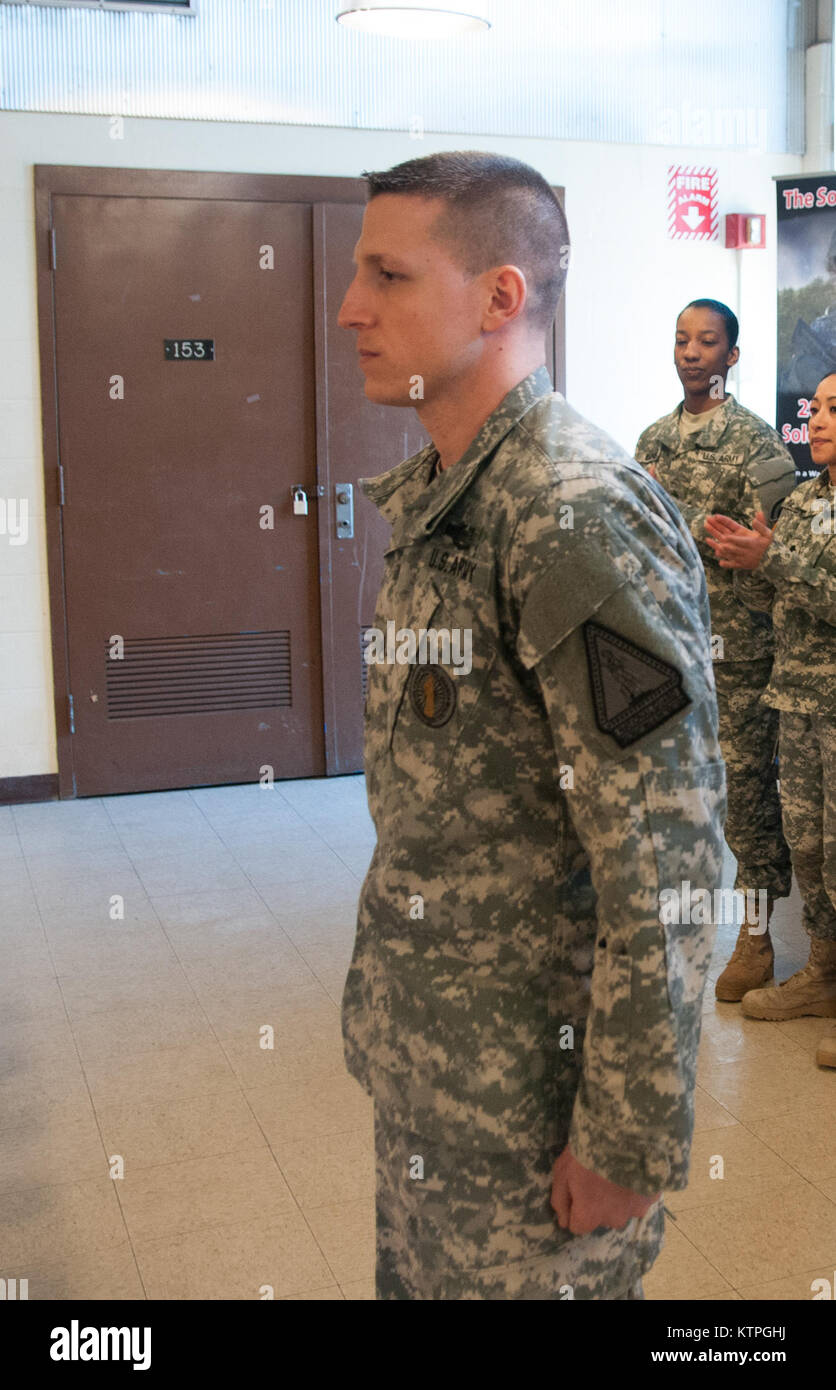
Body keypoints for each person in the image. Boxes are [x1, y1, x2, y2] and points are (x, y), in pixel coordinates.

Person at [337, 149, 726, 1300]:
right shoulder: (453, 495)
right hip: (444, 1084)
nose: (349, 308)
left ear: (498, 297)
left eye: (387, 277)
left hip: (533, 1114)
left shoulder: (570, 515)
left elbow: (666, 853)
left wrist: (627, 1134)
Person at [634, 301, 796, 1003]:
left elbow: (773, 552)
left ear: (731, 356)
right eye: (681, 340)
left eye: (706, 342)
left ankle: (755, 940)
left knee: (747, 798)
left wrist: (677, 518)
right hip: (668, 648)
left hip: (742, 654)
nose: (691, 352)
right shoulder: (652, 440)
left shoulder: (759, 446)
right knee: (675, 796)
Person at [705, 374, 836, 1067]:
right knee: (808, 849)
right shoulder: (806, 501)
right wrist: (748, 563)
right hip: (798, 701)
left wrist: (775, 559)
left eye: (834, 409)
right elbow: (777, 600)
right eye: (815, 409)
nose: (816, 421)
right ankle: (824, 973)